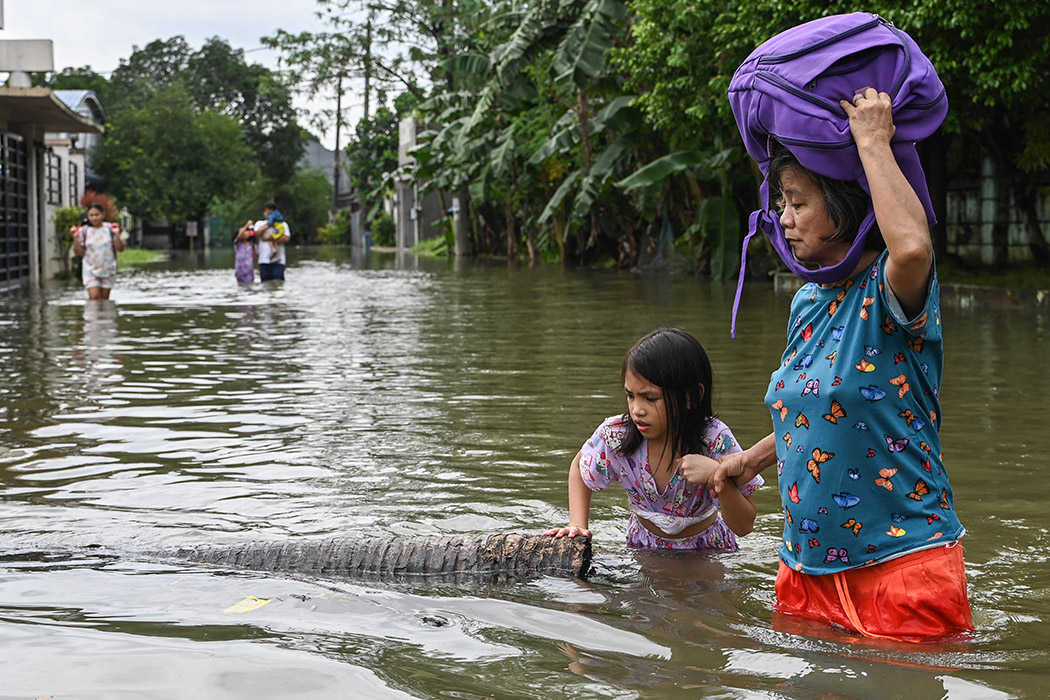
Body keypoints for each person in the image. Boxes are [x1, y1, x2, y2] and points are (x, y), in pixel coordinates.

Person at [693, 88, 972, 641]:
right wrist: (748, 462)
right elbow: (816, 411)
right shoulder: (807, 301)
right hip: (804, 575)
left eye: (798, 202)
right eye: (781, 203)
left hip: (901, 568)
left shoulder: (892, 294)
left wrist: (873, 142)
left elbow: (913, 248)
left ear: (843, 207)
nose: (784, 218)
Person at [544, 328, 762, 551]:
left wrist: (717, 478)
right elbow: (580, 467)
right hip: (643, 548)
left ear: (692, 396)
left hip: (707, 551)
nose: (637, 410)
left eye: (650, 398)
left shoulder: (714, 440)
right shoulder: (618, 436)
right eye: (631, 396)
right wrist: (578, 525)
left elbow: (744, 526)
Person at [72, 203, 125, 300]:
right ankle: (93, 315)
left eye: (97, 215)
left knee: (105, 299)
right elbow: (78, 252)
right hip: (90, 269)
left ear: (103, 215)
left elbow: (120, 249)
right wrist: (76, 238)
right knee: (94, 297)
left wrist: (117, 235)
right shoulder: (84, 231)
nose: (94, 218)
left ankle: (104, 315)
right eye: (91, 215)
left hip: (108, 269)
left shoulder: (110, 228)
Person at [254, 202, 290, 281]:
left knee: (278, 284)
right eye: (267, 211)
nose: (268, 213)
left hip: (279, 262)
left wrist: (269, 239)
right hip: (264, 260)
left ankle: (274, 252)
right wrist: (268, 224)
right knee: (265, 285)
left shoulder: (283, 224)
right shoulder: (259, 223)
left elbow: (286, 238)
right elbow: (256, 234)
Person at [233, 220, 257, 284]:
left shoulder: (251, 245)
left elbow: (255, 257)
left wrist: (253, 245)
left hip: (249, 271)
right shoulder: (238, 244)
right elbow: (239, 236)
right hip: (240, 271)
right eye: (242, 232)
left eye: (246, 231)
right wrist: (246, 225)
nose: (244, 233)